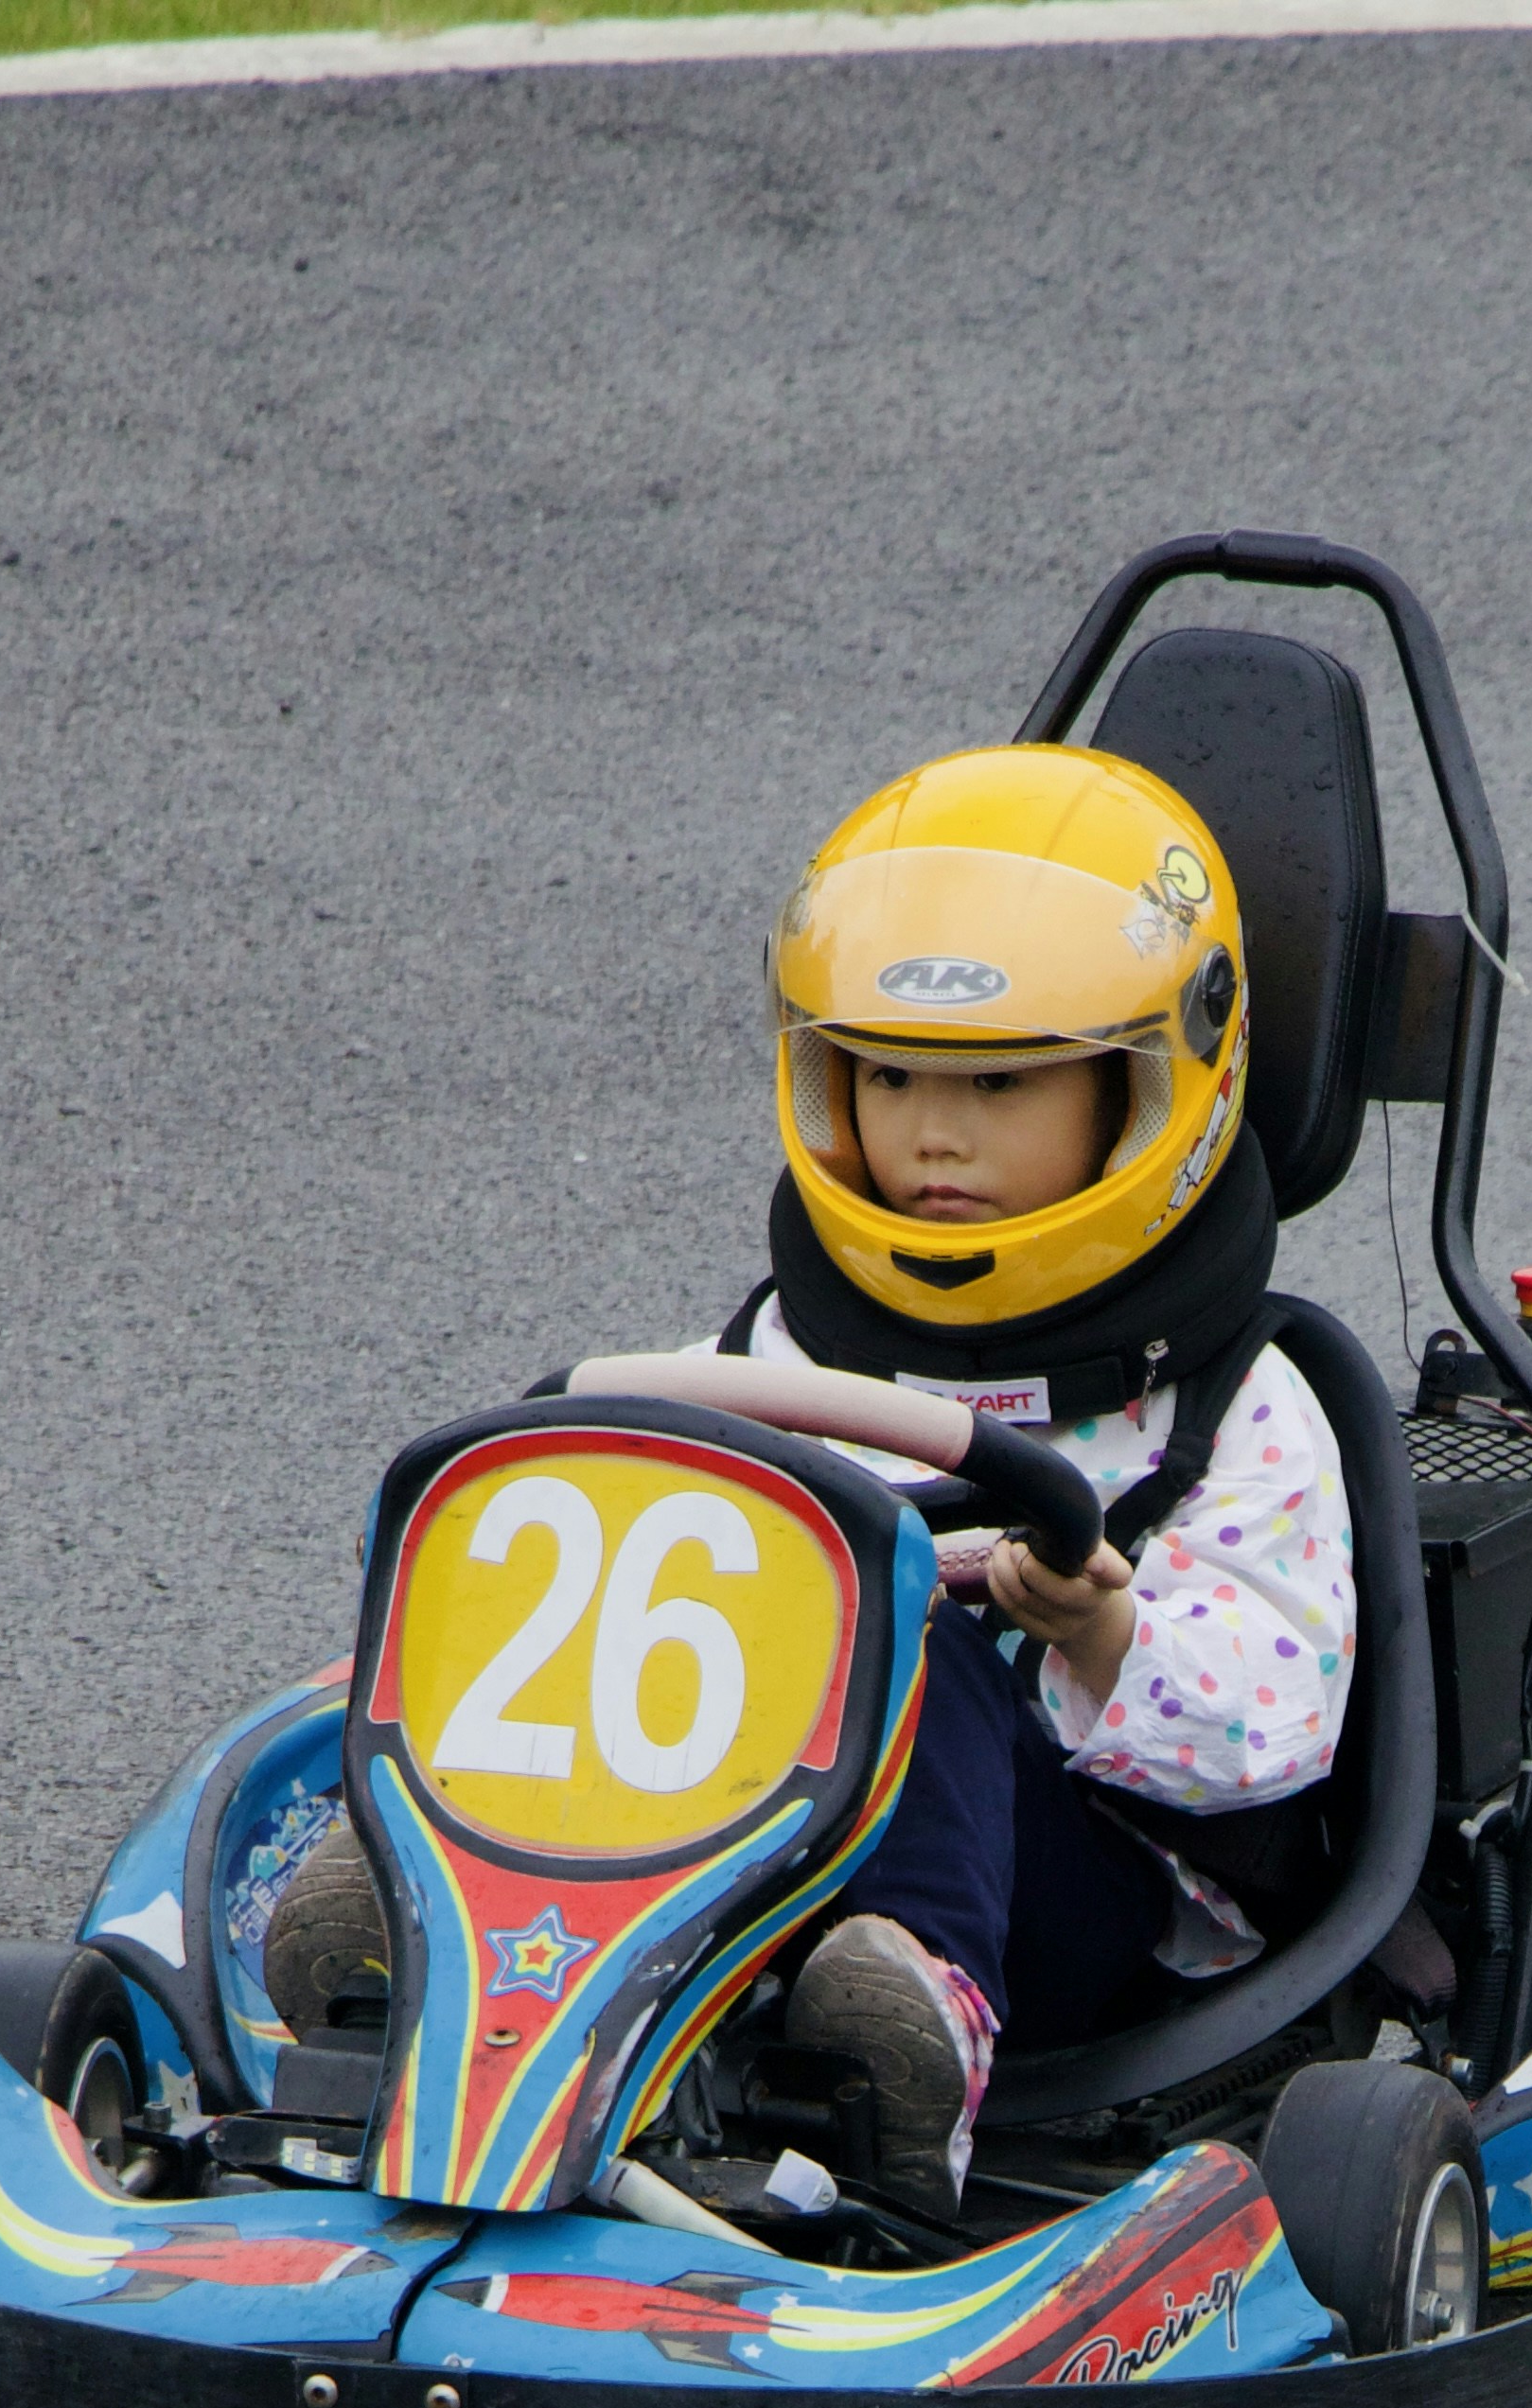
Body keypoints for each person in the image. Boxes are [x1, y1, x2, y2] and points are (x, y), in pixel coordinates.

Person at [571, 743, 1359, 2216]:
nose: (934, 1131)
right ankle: (424, 1958)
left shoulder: (1235, 1404)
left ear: (1140, 1092)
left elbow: (1282, 1727)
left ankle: (914, 2034)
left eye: (997, 1084)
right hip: (760, 1853)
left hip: (1098, 1905)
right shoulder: (775, 1347)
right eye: (891, 1076)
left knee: (898, 1618)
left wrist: (1097, 1632)